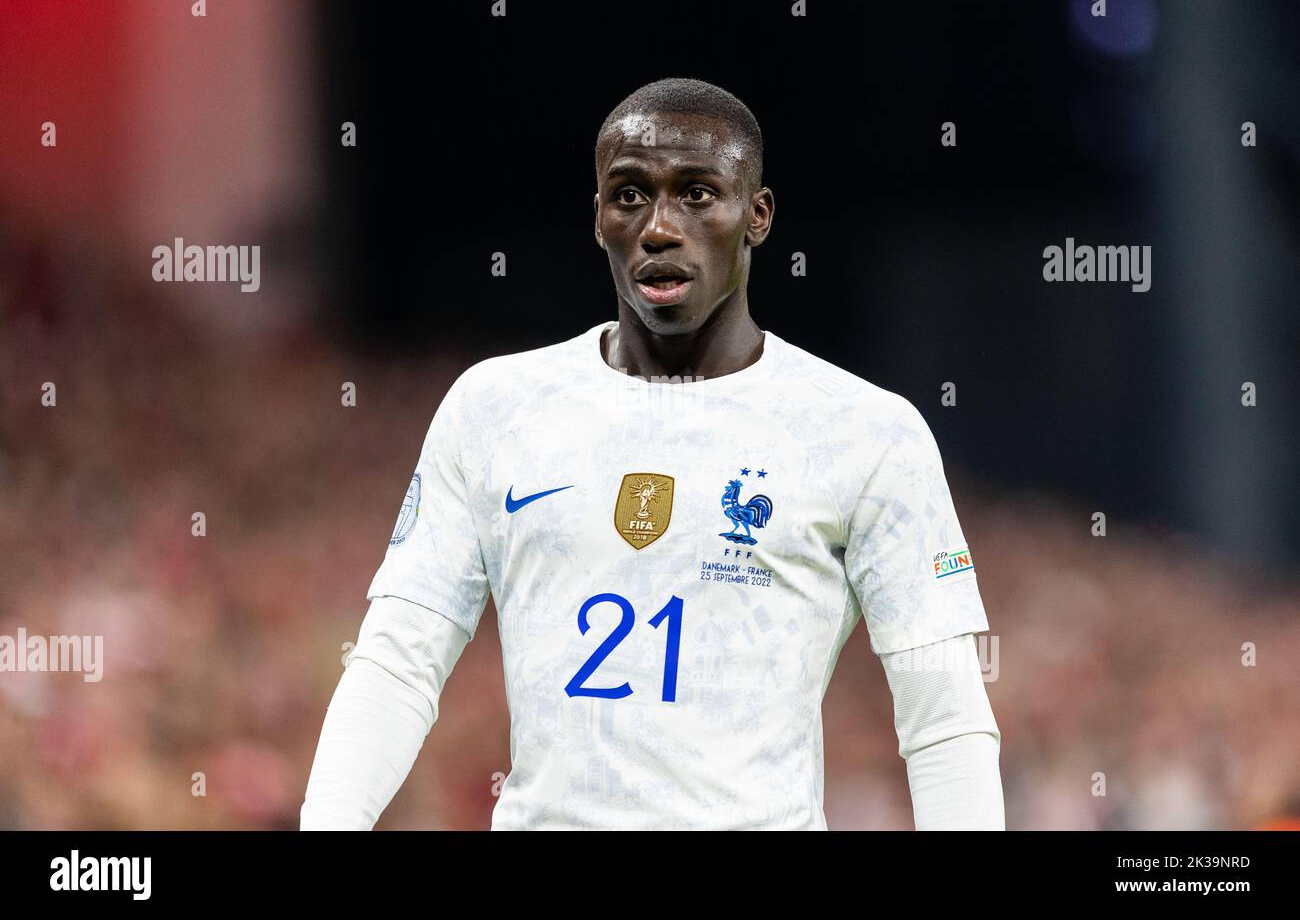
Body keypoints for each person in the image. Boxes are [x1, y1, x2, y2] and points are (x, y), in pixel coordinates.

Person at [301, 77, 1004, 830]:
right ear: (598, 217)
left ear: (757, 216)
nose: (660, 227)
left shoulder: (865, 432)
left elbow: (944, 717)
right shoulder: (495, 408)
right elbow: (397, 663)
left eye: (698, 194)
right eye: (629, 195)